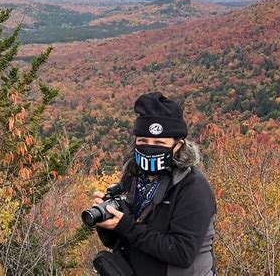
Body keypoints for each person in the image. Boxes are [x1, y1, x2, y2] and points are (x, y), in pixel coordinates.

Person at [92, 92, 217, 275]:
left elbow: (182, 253)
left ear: (179, 146)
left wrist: (128, 226)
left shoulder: (193, 187)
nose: (150, 148)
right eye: (143, 141)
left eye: (159, 142)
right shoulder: (132, 178)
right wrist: (107, 220)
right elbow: (122, 241)